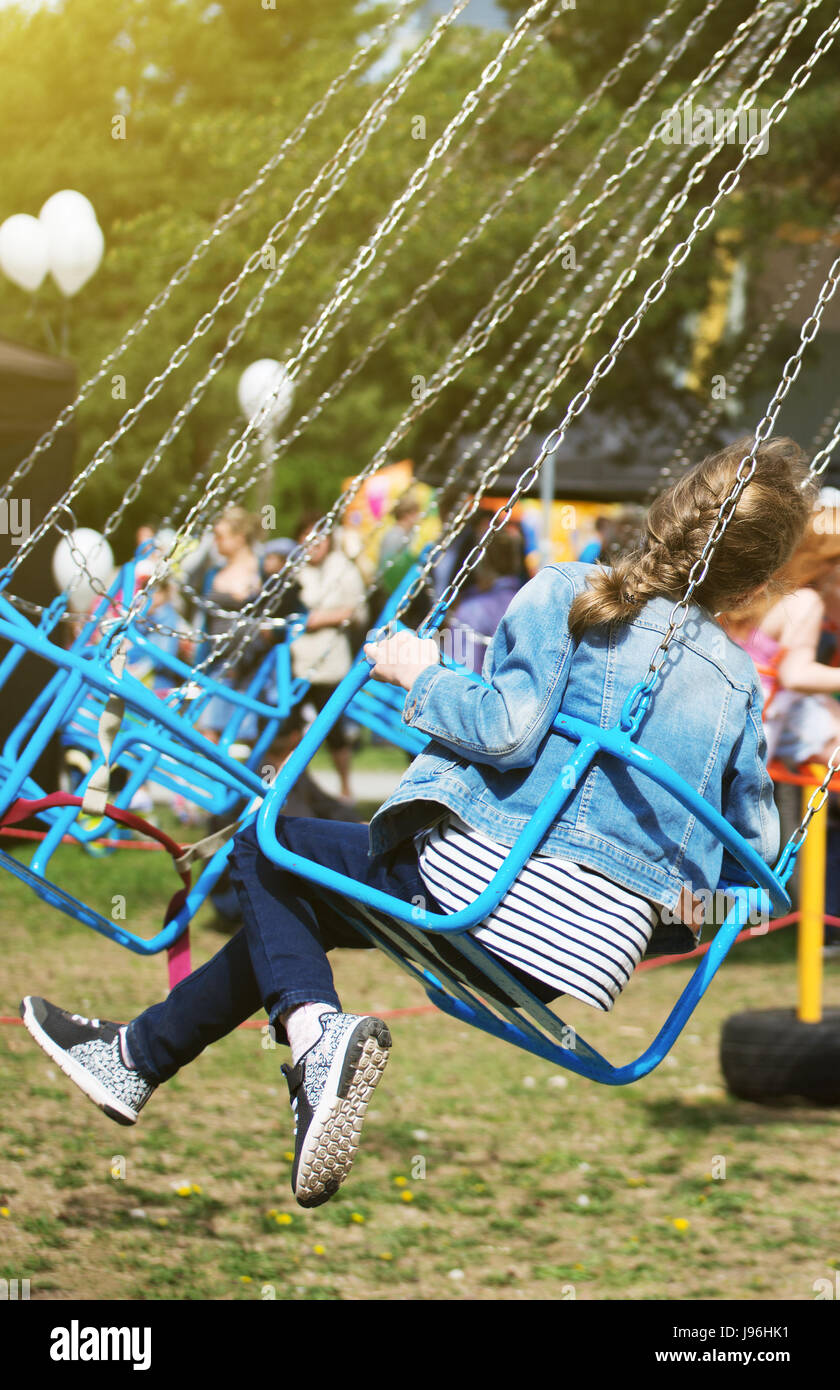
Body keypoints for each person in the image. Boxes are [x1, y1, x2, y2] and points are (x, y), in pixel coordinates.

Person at [20, 437, 813, 1211]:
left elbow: (505, 729)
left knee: (268, 847)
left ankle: (312, 1036)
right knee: (305, 905)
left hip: (484, 896)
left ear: (670, 510)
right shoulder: (738, 685)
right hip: (576, 967)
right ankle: (137, 1056)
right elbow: (756, 857)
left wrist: (420, 670)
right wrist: (649, 912)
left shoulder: (570, 589)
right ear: (759, 578)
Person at [720, 517, 840, 766]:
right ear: (826, 564)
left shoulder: (764, 590)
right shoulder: (806, 601)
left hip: (734, 702)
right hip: (757, 721)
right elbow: (796, 676)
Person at [289, 514, 368, 803]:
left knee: (333, 730)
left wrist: (321, 619)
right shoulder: (294, 571)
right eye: (308, 540)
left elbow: (358, 612)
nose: (314, 546)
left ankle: (346, 788)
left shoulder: (344, 569)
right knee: (291, 730)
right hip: (297, 662)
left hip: (330, 663)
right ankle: (295, 786)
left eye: (319, 539)